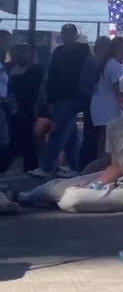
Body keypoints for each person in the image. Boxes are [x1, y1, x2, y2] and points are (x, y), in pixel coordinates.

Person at [18, 67, 123, 214]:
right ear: (122, 100)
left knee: (72, 199)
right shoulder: (115, 126)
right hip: (116, 181)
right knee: (54, 187)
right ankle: (24, 197)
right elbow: (116, 168)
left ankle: (66, 198)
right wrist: (93, 187)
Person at [33, 24, 92, 178]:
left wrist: (82, 94)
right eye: (65, 34)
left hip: (71, 97)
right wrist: (46, 95)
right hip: (57, 98)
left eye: (70, 34)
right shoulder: (58, 52)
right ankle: (74, 166)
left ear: (75, 36)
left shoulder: (83, 52)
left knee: (58, 132)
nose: (67, 37)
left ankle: (46, 167)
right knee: (71, 134)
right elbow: (50, 75)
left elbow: (88, 75)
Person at [83, 37, 123, 173]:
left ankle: (99, 173)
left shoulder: (110, 63)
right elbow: (119, 92)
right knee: (107, 147)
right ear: (117, 48)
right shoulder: (113, 65)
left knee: (104, 144)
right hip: (108, 111)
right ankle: (95, 174)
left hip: (103, 109)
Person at [3, 44, 43, 174]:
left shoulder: (36, 69)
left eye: (27, 52)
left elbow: (39, 90)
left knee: (26, 142)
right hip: (11, 109)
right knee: (15, 141)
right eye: (20, 52)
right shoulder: (8, 68)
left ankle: (31, 168)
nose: (23, 55)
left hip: (29, 110)